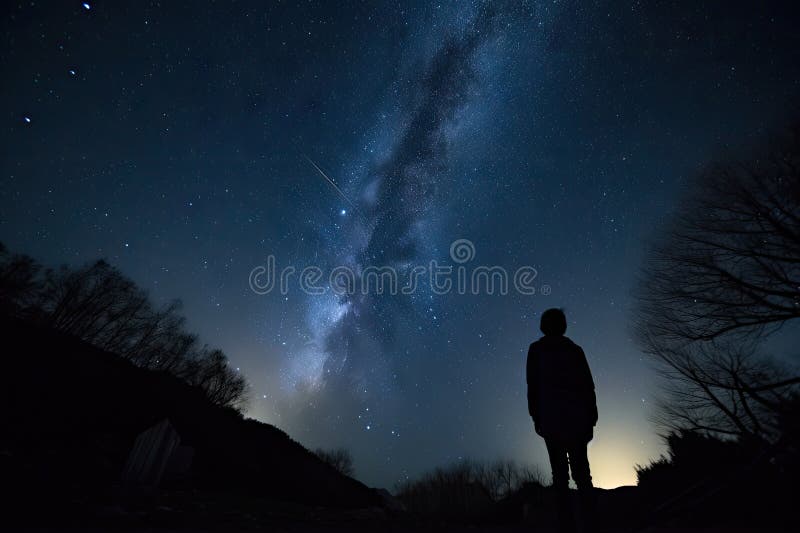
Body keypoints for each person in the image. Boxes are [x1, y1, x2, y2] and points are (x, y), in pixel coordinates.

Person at [527, 308, 598, 532]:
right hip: (576, 418)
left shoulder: (536, 350)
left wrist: (536, 416)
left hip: (552, 419)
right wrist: (591, 416)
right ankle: (590, 524)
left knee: (560, 476)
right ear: (563, 325)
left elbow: (532, 387)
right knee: (582, 474)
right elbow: (588, 386)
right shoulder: (574, 350)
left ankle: (569, 526)